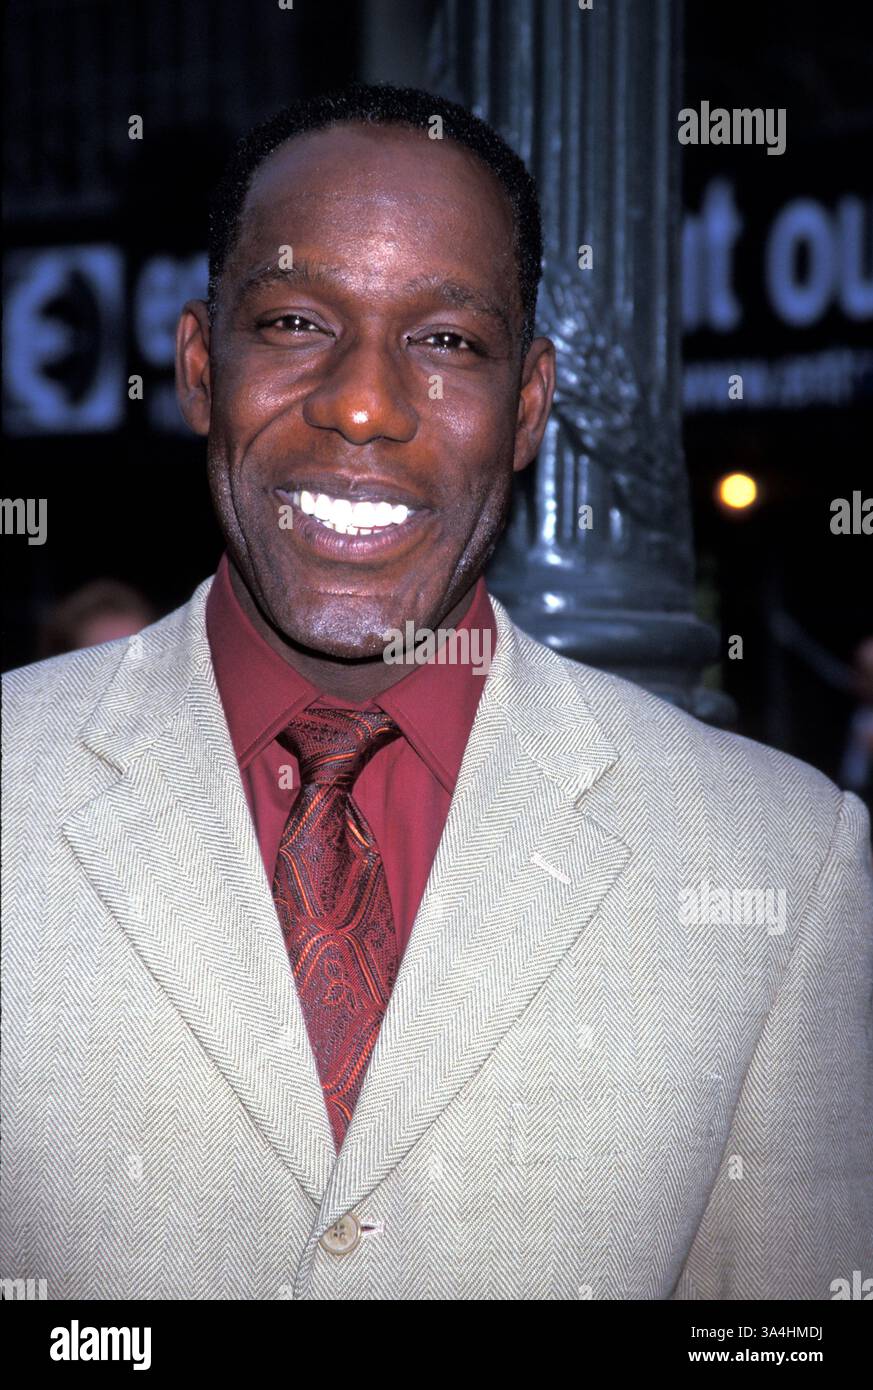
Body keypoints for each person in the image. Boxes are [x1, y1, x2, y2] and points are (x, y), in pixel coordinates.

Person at [2, 82, 870, 1302]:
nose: (364, 402)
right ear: (199, 367)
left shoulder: (786, 862)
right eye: (299, 321)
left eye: (448, 341)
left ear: (527, 408)